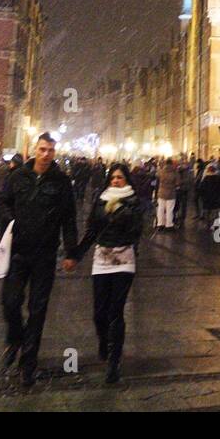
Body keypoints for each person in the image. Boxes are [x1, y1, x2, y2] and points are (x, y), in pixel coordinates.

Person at [0, 132, 79, 387]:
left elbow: (69, 218)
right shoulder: (18, 176)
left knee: (38, 309)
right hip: (18, 250)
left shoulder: (62, 182)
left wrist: (71, 252)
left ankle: (28, 362)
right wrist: (12, 221)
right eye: (42, 149)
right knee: (10, 300)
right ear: (35, 149)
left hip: (45, 253)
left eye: (50, 150)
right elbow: (2, 201)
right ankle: (15, 338)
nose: (46, 154)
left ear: (55, 152)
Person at [72, 162, 143, 384]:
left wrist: (121, 215)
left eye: (120, 177)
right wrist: (75, 255)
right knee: (99, 312)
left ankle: (114, 360)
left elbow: (136, 231)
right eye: (113, 177)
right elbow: (92, 229)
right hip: (101, 259)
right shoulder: (101, 199)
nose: (115, 180)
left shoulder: (133, 202)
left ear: (126, 180)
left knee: (116, 310)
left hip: (123, 260)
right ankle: (104, 340)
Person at [0, 153, 24, 235]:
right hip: (16, 214)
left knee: (6, 235)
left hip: (10, 214)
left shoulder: (12, 175)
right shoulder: (23, 175)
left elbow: (4, 196)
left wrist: (7, 215)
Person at [155, 156, 179, 230]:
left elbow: (157, 176)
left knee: (160, 209)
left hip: (161, 192)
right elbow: (178, 183)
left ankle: (160, 224)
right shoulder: (175, 172)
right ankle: (169, 225)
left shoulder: (161, 171)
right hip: (171, 193)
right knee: (170, 210)